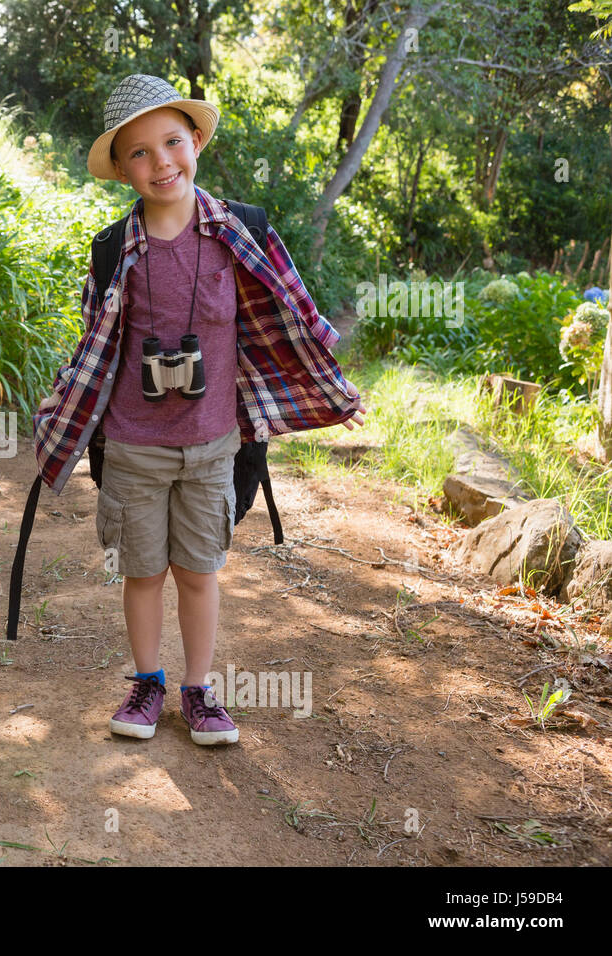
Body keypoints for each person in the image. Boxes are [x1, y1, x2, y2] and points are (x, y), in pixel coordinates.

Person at [32, 74, 367, 746]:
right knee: (143, 570)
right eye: (140, 152)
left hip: (215, 442)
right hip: (132, 445)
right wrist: (62, 400)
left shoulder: (240, 232)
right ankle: (148, 682)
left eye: (173, 143)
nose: (162, 163)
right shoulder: (111, 250)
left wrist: (333, 388)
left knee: (199, 571)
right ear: (123, 169)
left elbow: (291, 317)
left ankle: (199, 692)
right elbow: (95, 346)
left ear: (196, 143)